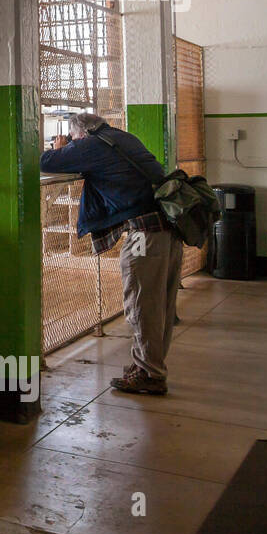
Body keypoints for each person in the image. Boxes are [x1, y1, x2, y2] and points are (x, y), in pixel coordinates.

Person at [40, 111, 182, 395]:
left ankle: (150, 374)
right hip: (168, 227)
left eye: (72, 138)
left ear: (79, 134)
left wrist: (59, 148)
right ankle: (148, 366)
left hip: (145, 234)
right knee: (159, 305)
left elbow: (46, 162)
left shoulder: (90, 145)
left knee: (141, 303)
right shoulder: (122, 137)